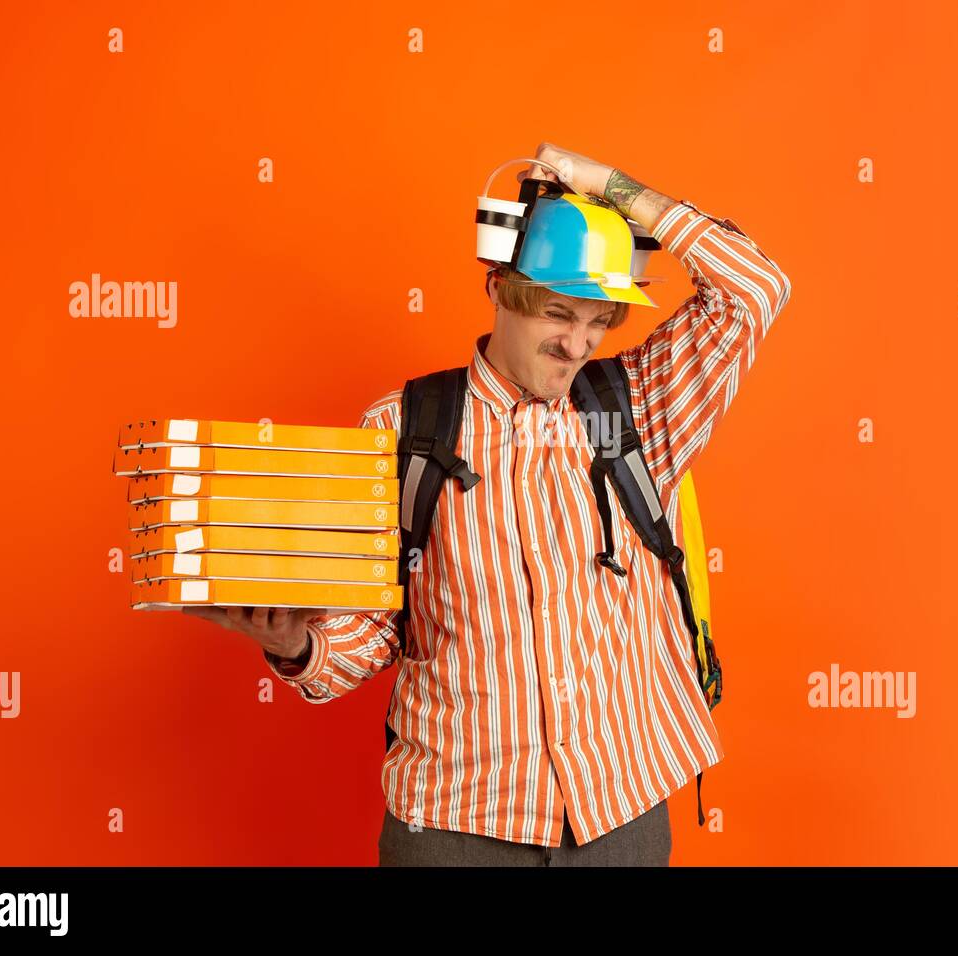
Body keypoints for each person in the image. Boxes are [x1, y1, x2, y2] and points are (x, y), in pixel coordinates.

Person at [184, 143, 791, 865]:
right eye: (557, 314)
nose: (577, 344)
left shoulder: (642, 410)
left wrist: (609, 188)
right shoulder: (403, 429)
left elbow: (755, 287)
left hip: (622, 817)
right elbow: (372, 633)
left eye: (599, 322)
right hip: (453, 826)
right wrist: (299, 648)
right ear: (501, 288)